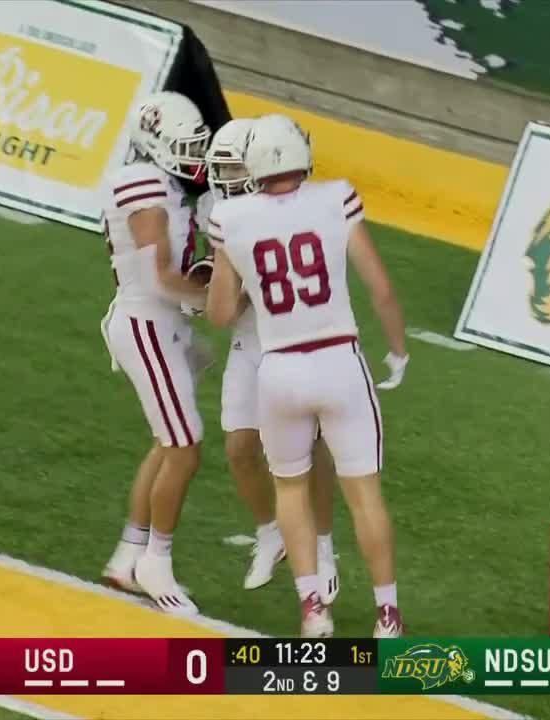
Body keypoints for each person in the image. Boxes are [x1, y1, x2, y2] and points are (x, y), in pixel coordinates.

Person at [205, 114, 410, 638]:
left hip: (279, 370)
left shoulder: (231, 217)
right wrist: (397, 352)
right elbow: (381, 288)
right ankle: (387, 614)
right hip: (339, 360)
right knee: (363, 493)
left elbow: (222, 314)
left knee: (290, 490)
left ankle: (313, 609)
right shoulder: (336, 198)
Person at [203, 119, 340, 602]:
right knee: (240, 447)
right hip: (251, 338)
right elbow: (226, 306)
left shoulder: (298, 208)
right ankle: (271, 532)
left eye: (236, 166)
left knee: (310, 448)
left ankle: (322, 545)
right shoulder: (217, 210)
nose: (229, 178)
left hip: (300, 336)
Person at [99, 91, 212, 616]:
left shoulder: (159, 182)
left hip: (160, 322)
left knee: (169, 444)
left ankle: (128, 555)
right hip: (147, 320)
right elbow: (160, 277)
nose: (194, 158)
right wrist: (218, 301)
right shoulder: (142, 184)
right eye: (185, 147)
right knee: (186, 448)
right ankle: (155, 563)